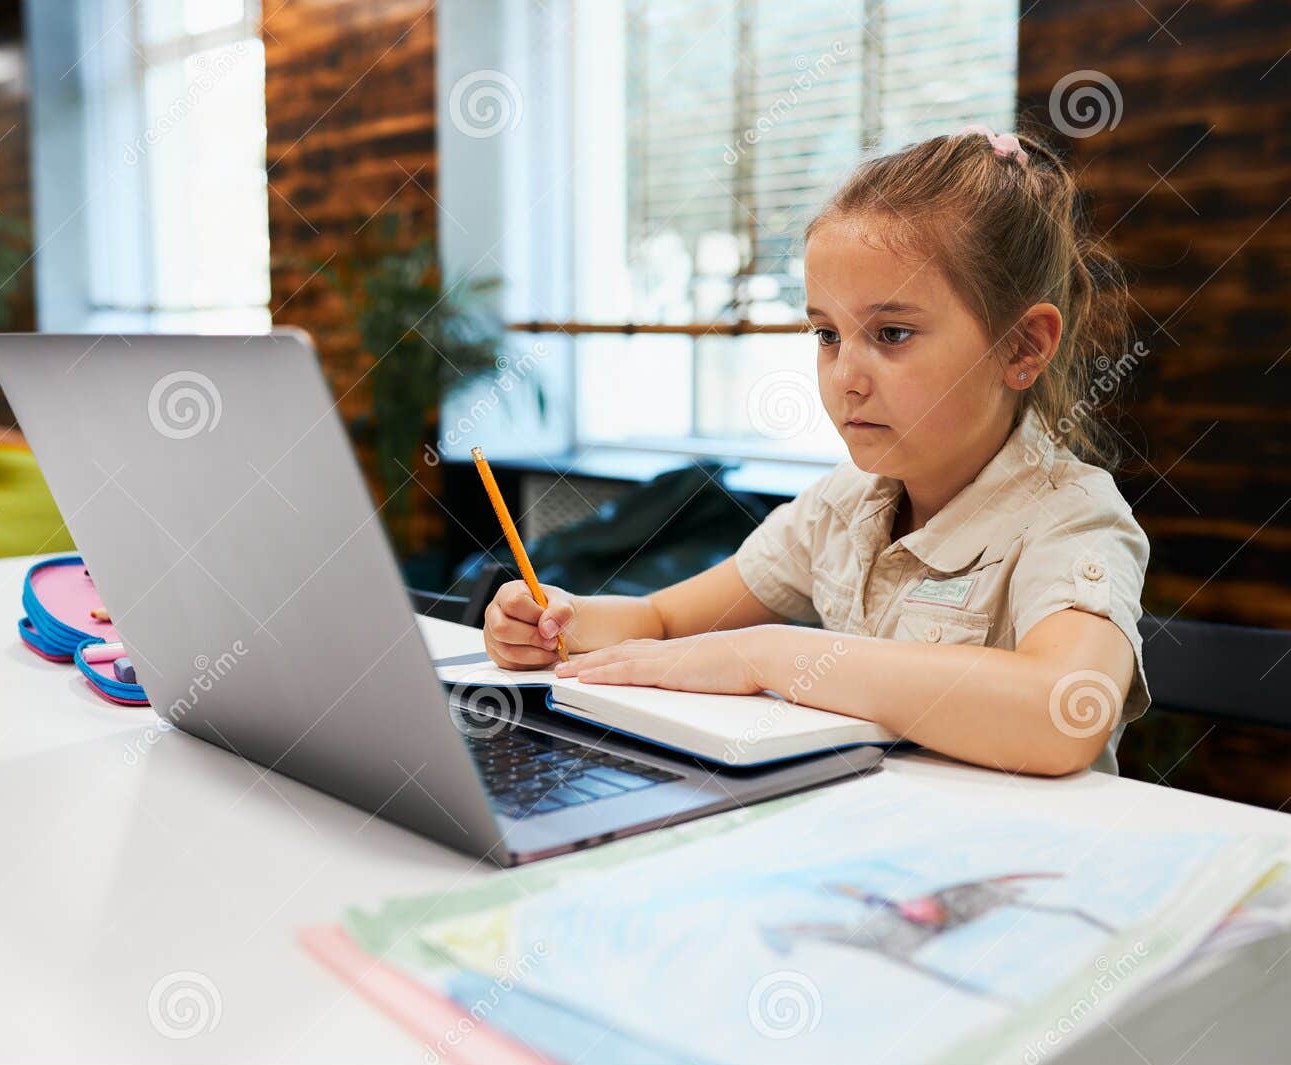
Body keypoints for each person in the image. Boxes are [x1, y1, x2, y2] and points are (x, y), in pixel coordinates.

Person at [482, 126, 1150, 776]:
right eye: (827, 334)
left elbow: (1062, 713)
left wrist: (770, 656)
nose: (844, 376)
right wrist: (561, 620)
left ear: (1024, 346)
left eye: (891, 332)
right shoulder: (842, 506)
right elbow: (661, 618)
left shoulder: (1070, 516)